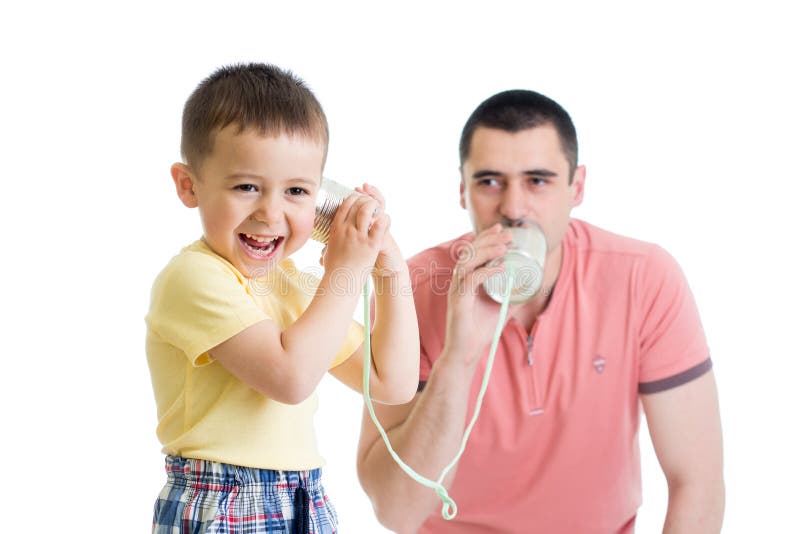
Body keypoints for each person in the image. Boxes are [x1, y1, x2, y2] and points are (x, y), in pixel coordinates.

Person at [356, 90, 724, 533]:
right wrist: (460, 359)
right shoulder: (410, 289)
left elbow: (697, 484)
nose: (513, 208)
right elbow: (397, 512)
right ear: (462, 189)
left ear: (578, 186)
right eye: (490, 181)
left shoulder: (644, 279)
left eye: (538, 181)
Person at [145, 63, 419, 533]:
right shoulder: (194, 277)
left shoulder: (297, 288)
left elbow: (391, 383)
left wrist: (387, 266)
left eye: (296, 191)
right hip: (224, 502)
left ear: (321, 202)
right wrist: (346, 270)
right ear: (190, 185)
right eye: (246, 186)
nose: (271, 212)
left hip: (303, 500)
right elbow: (290, 379)